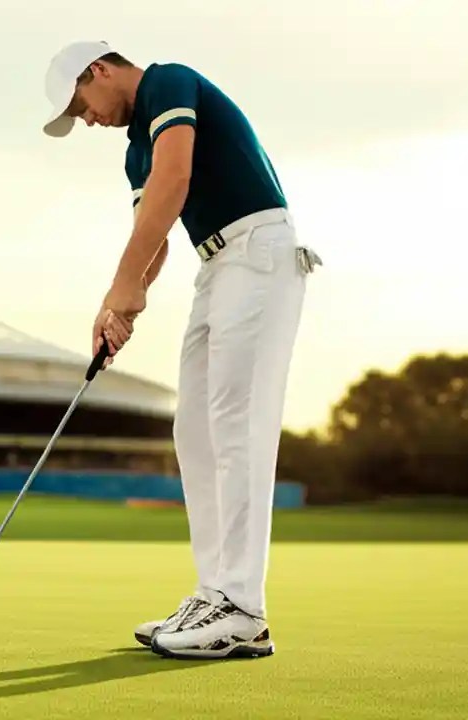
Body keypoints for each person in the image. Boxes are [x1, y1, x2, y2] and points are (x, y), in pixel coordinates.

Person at [38, 40, 320, 659]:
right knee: (194, 429)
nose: (84, 118)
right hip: (216, 268)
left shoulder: (169, 82)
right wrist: (118, 304)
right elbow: (156, 235)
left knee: (236, 422)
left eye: (79, 102)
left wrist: (122, 284)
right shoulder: (135, 150)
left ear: (100, 70)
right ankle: (215, 592)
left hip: (260, 252)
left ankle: (243, 608)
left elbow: (176, 180)